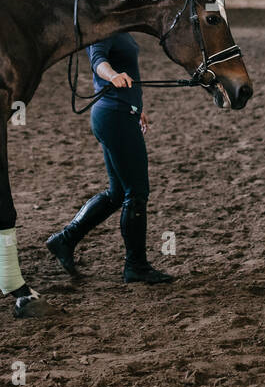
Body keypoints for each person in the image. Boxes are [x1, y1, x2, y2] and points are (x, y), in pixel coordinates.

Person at [46, 32, 172, 284]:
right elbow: (98, 61)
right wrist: (112, 75)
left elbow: (128, 70)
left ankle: (65, 240)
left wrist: (137, 107)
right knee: (136, 192)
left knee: (118, 193)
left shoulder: (121, 30)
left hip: (122, 111)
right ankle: (135, 266)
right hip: (113, 115)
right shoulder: (103, 29)